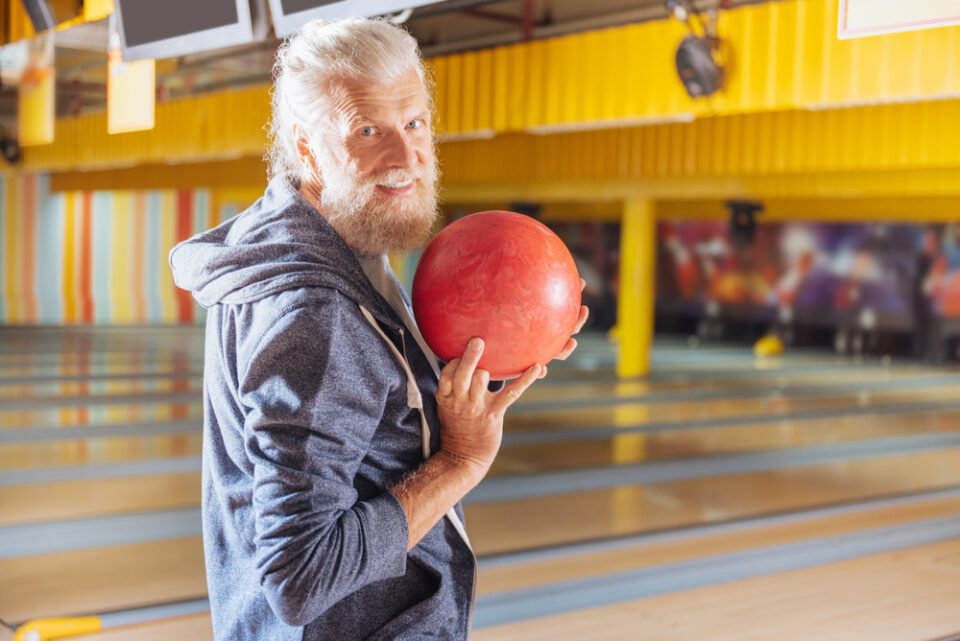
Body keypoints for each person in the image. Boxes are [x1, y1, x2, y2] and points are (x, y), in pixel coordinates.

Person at [169, 17, 587, 641]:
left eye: (414, 123)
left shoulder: (297, 237)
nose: (405, 156)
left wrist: (500, 345)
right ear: (307, 147)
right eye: (368, 131)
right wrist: (459, 462)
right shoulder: (315, 315)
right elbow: (300, 576)